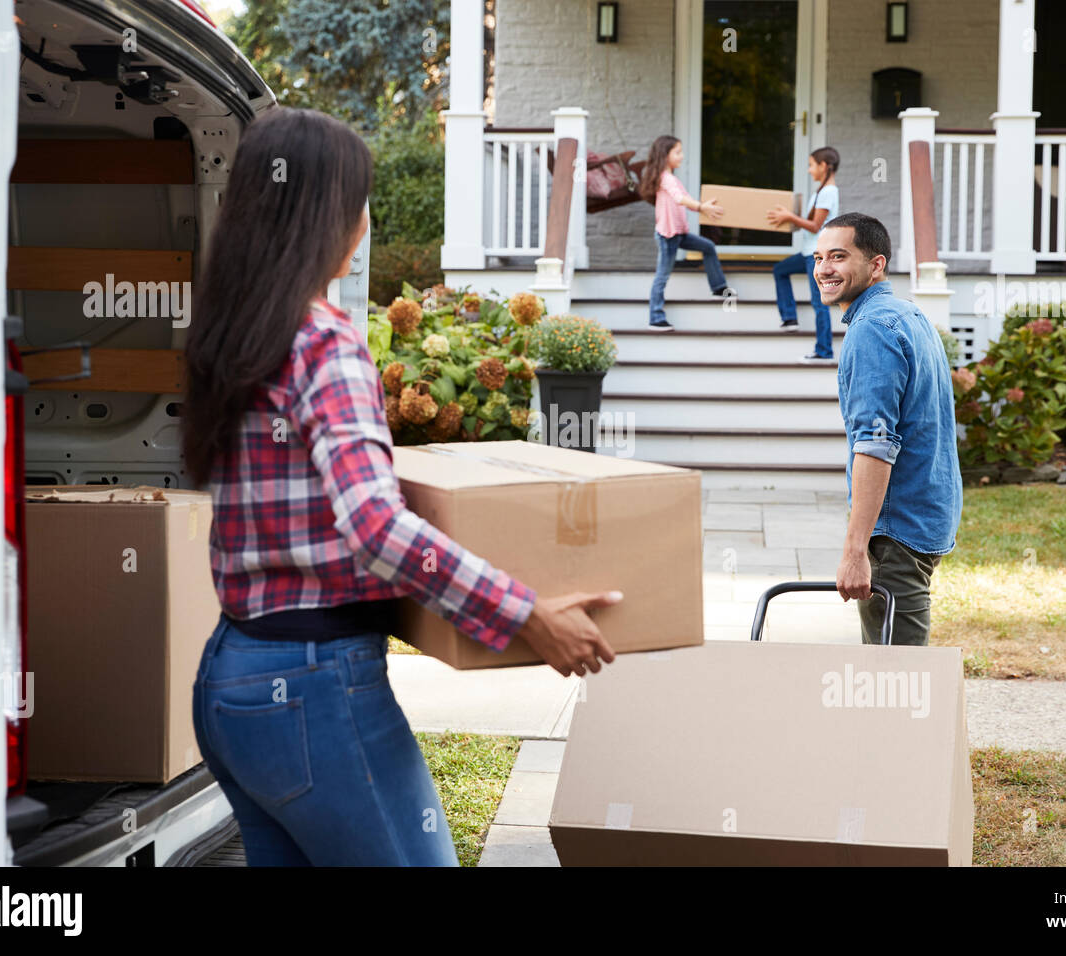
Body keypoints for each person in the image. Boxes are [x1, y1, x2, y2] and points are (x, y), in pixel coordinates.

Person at [182, 107, 619, 866]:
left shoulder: (232, 333)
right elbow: (376, 528)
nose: (366, 219)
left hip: (231, 679)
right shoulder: (323, 340)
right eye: (360, 199)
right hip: (315, 689)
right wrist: (527, 616)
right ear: (326, 216)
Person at [813, 212, 962, 646]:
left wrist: (855, 549)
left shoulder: (873, 329)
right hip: (924, 517)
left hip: (895, 530)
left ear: (876, 264)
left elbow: (876, 445)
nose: (824, 268)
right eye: (819, 257)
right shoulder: (908, 315)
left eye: (839, 257)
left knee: (897, 686)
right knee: (899, 684)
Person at [638, 135, 735, 331]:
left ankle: (718, 288)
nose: (681, 156)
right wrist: (701, 207)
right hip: (667, 236)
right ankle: (655, 318)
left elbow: (685, 199)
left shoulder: (671, 178)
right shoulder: (665, 179)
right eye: (678, 152)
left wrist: (704, 207)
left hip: (679, 233)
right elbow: (680, 199)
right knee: (662, 276)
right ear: (665, 155)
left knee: (708, 247)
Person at [767, 147, 840, 357]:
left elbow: (816, 226)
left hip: (816, 256)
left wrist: (790, 217)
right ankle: (790, 317)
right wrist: (790, 220)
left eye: (811, 165)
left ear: (824, 166)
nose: (809, 170)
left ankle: (824, 350)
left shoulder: (828, 192)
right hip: (809, 252)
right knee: (780, 270)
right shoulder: (822, 191)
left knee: (819, 302)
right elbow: (810, 223)